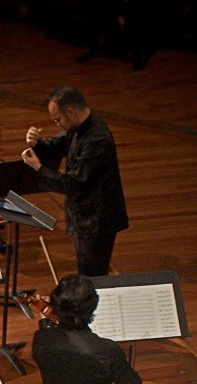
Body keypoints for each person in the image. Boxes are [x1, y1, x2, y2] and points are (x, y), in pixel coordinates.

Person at [22, 86, 129, 277]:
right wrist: (37, 143)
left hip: (97, 220)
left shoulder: (97, 139)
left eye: (57, 119)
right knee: (87, 271)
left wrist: (39, 169)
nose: (57, 124)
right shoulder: (80, 126)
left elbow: (74, 184)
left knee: (92, 276)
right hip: (87, 215)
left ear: (70, 113)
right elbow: (60, 145)